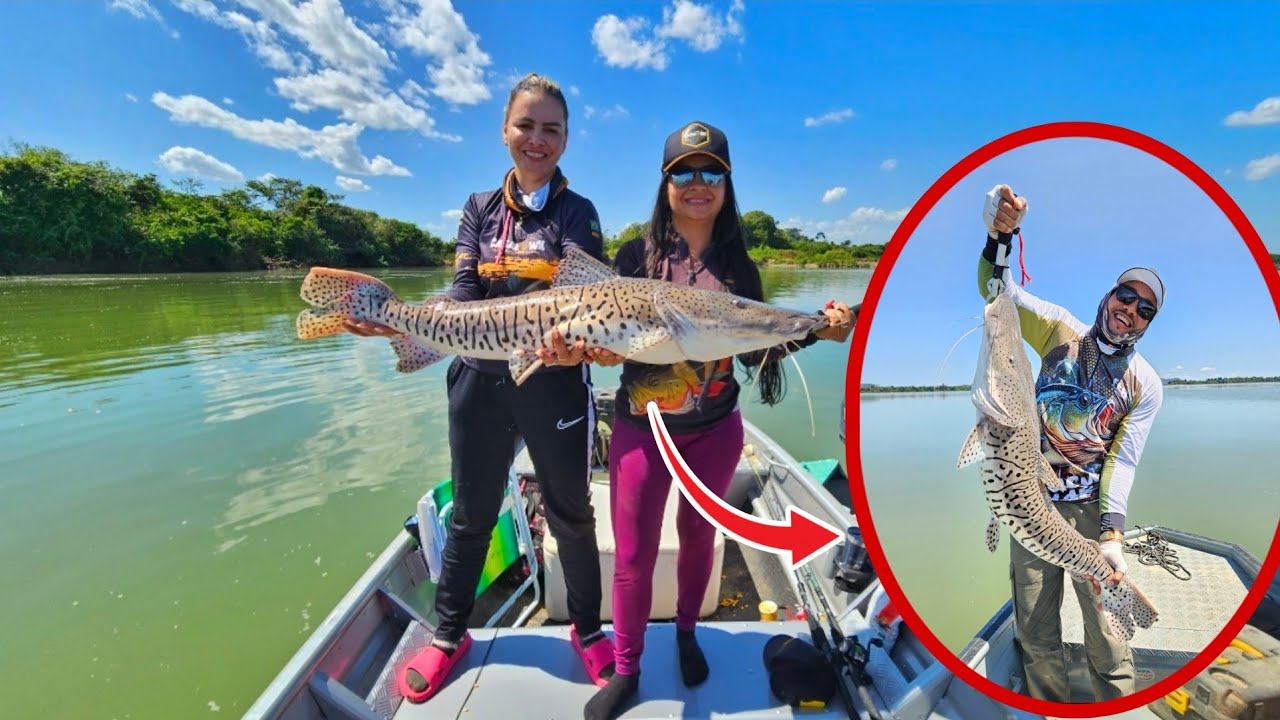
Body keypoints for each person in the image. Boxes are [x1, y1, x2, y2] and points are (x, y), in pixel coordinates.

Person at [344, 72, 616, 703]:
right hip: (477, 380)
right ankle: (448, 636)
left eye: (552, 128)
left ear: (566, 138)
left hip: (555, 386)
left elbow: (583, 297)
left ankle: (587, 629)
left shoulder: (580, 213)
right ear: (505, 131)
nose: (537, 139)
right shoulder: (477, 208)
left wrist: (580, 337)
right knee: (468, 516)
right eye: (526, 125)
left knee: (572, 516)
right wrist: (398, 319)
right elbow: (464, 293)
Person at [582, 121, 856, 720]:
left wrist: (818, 331)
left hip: (714, 430)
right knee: (633, 555)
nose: (697, 183)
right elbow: (606, 335)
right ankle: (626, 670)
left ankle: (686, 633)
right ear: (665, 183)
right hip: (641, 429)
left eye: (711, 172)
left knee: (702, 536)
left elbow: (758, 349)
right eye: (683, 171)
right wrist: (599, 350)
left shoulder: (740, 269)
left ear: (727, 184)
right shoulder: (634, 258)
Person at [979, 184, 1165, 702]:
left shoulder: (1144, 383)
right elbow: (997, 293)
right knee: (1036, 631)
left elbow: (1121, 463)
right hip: (1029, 498)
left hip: (1086, 507)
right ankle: (1047, 707)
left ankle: (1118, 705)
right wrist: (1001, 234)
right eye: (1126, 296)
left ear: (1149, 323)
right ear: (1109, 296)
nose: (1131, 309)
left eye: (1145, 309)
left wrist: (1111, 534)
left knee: (1106, 633)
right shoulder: (1058, 330)